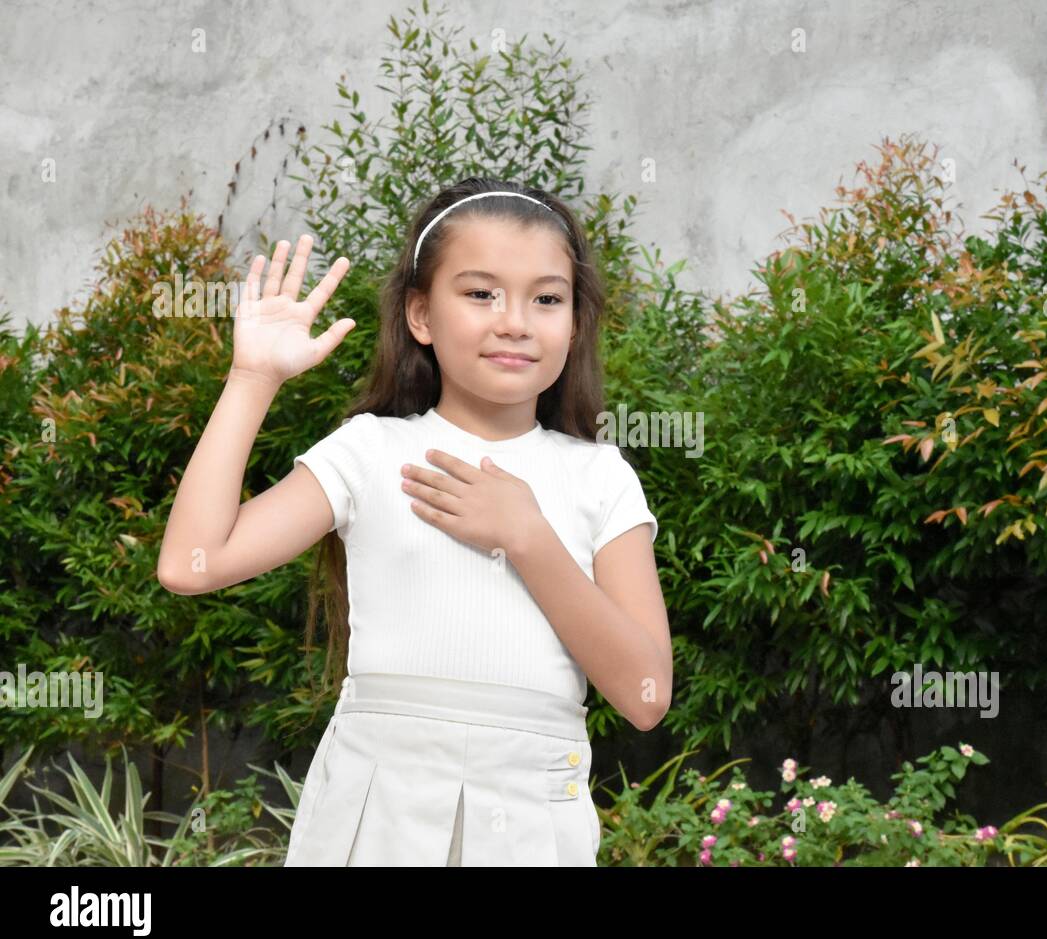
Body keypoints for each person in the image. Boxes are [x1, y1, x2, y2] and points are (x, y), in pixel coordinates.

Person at [156, 178, 672, 866]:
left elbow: (645, 695)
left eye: (547, 298)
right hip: (375, 816)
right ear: (420, 315)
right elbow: (191, 563)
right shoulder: (370, 451)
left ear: (574, 323)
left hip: (531, 822)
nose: (515, 320)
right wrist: (254, 378)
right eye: (481, 293)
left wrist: (527, 536)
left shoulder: (599, 477)